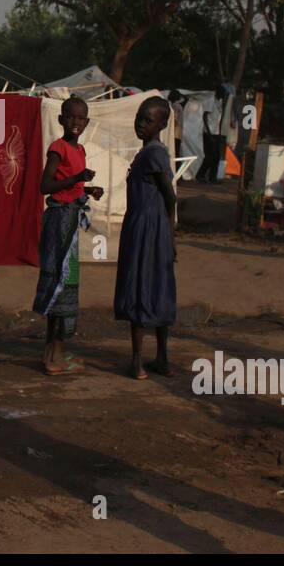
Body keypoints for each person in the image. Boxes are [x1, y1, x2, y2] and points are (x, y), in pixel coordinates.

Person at [33, 96, 104, 375]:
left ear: (86, 122)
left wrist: (88, 190)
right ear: (61, 119)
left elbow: (71, 188)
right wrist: (76, 180)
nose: (75, 122)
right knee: (61, 282)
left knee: (64, 283)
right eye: (70, 117)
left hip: (71, 218)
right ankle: (54, 356)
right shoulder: (58, 148)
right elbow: (46, 185)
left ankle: (53, 352)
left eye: (81, 118)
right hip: (59, 221)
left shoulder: (81, 150)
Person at [115, 97, 177, 380]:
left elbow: (170, 195)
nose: (141, 124)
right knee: (159, 286)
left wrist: (169, 232)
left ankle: (138, 362)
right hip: (152, 226)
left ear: (162, 124)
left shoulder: (154, 153)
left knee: (140, 287)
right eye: (140, 118)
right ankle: (161, 358)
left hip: (147, 227)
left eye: (148, 120)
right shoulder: (149, 153)